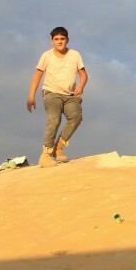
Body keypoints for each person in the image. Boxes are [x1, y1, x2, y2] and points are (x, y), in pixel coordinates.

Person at [26, 27, 87, 168]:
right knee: (54, 118)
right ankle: (46, 154)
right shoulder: (47, 56)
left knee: (76, 117)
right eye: (56, 39)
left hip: (70, 94)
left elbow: (83, 75)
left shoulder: (74, 55)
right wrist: (31, 97)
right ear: (52, 41)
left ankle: (59, 147)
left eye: (62, 39)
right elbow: (37, 75)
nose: (59, 42)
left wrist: (81, 86)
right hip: (51, 92)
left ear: (67, 40)